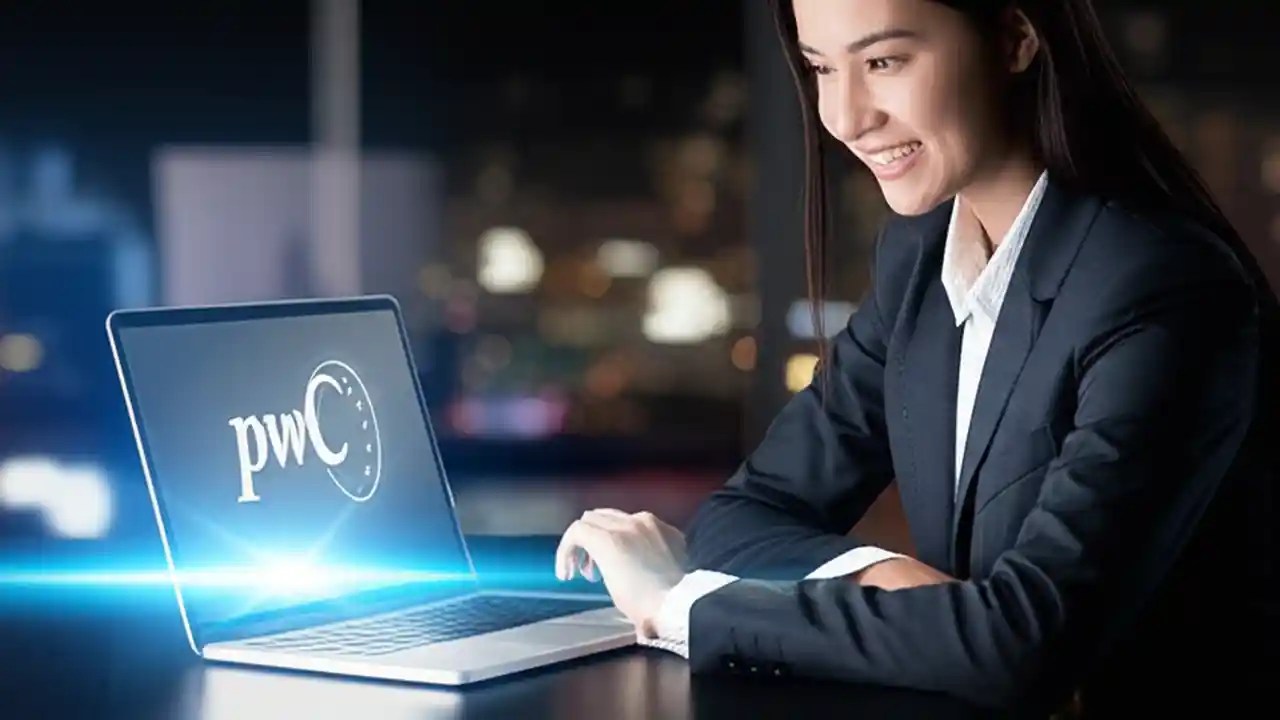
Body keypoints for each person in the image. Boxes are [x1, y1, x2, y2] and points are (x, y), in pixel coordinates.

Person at [555, 0, 1278, 714]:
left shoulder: (1158, 287)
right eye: (820, 68)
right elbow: (741, 517)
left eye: (883, 61)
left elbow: (1023, 647)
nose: (844, 116)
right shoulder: (922, 260)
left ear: (1016, 37)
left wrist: (680, 605)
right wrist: (895, 578)